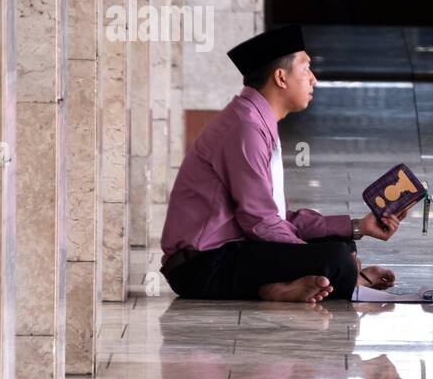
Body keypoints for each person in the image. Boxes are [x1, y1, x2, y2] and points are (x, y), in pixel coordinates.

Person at [160, 24, 399, 303]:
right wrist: (311, 258)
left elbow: (279, 217)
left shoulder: (257, 121)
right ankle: (282, 285)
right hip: (200, 266)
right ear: (281, 78)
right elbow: (260, 221)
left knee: (340, 244)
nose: (314, 79)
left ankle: (281, 285)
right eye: (306, 68)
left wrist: (358, 226)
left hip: (232, 251)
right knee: (336, 258)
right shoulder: (245, 128)